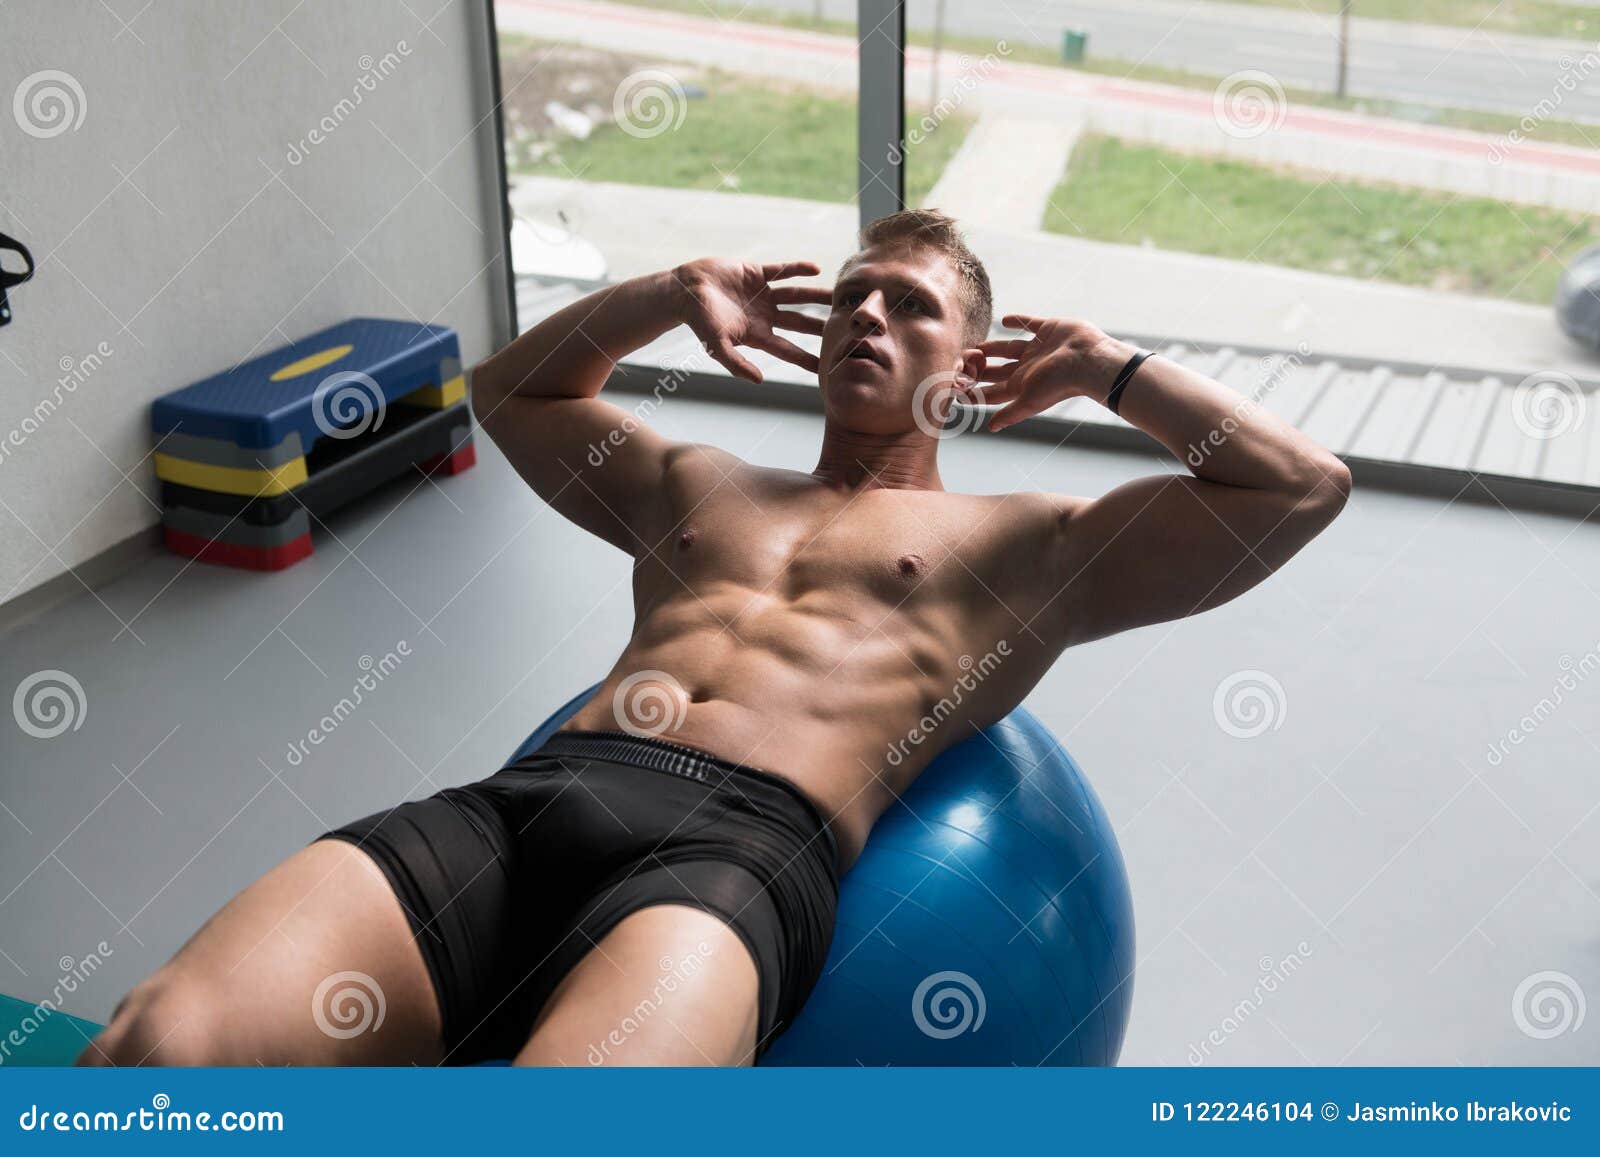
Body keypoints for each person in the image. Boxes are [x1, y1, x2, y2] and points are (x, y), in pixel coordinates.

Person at [81, 209, 1349, 1068]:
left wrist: (1111, 369)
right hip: (520, 807)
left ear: (968, 361)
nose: (866, 315)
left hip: (733, 854)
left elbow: (1296, 487)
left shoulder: (1031, 545)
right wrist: (662, 293)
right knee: (155, 1045)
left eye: (909, 306)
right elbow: (515, 392)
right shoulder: (697, 482)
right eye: (853, 293)